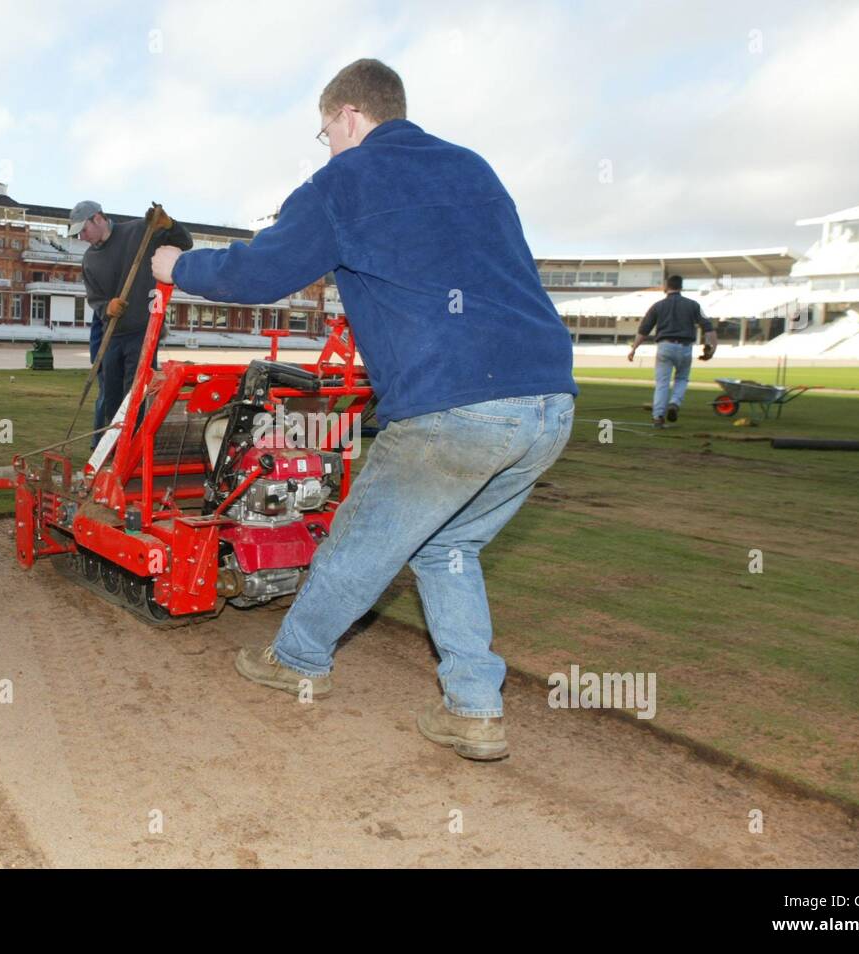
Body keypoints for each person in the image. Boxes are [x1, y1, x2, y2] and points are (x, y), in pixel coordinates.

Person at [151, 58, 577, 762]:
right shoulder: (474, 168)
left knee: (361, 540)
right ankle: (475, 708)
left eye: (326, 133)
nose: (328, 146)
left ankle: (297, 659)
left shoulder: (346, 179)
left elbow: (258, 272)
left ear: (349, 117)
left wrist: (177, 268)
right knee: (447, 546)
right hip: (549, 404)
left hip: (455, 405)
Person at [69, 200, 192, 431]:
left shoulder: (140, 231)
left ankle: (132, 451)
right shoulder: (89, 260)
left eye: (83, 230)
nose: (82, 238)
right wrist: (107, 307)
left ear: (98, 218)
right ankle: (110, 451)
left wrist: (169, 225)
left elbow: (185, 242)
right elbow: (94, 298)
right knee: (111, 398)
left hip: (143, 333)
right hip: (112, 335)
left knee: (135, 395)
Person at [627, 275, 717, 426]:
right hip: (685, 347)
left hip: (665, 346)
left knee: (662, 382)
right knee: (682, 379)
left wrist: (634, 349)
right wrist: (711, 349)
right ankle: (674, 403)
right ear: (681, 287)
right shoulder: (694, 305)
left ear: (666, 287)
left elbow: (644, 330)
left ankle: (658, 416)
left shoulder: (657, 306)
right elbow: (708, 328)